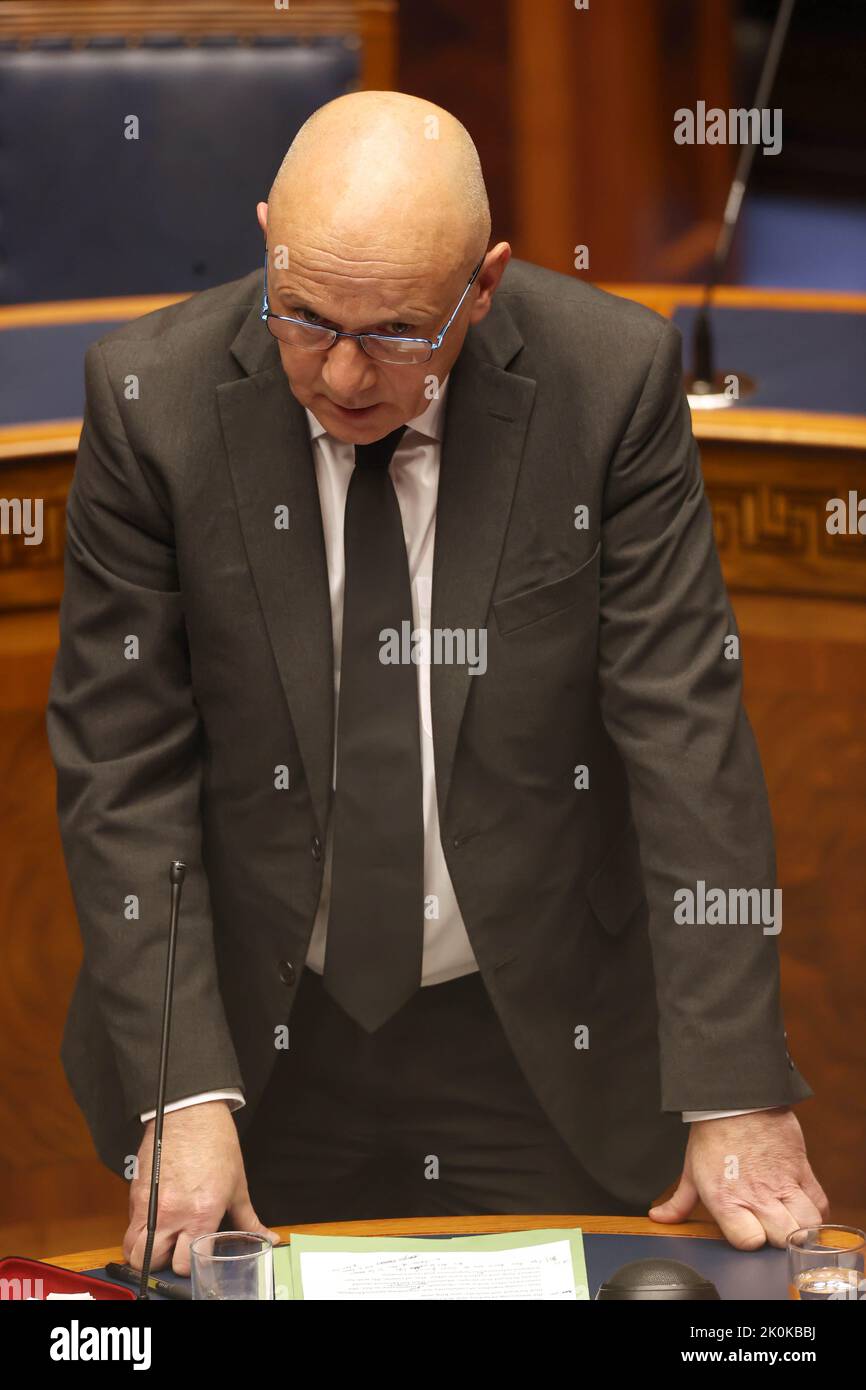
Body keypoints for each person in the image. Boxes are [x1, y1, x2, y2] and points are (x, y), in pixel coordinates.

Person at [47, 90, 827, 1277]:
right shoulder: (149, 402)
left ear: (486, 283)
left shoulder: (606, 382)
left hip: (530, 1039)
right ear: (267, 237)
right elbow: (123, 766)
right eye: (304, 316)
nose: (345, 374)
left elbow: (685, 736)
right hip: (254, 1044)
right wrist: (180, 1087)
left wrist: (732, 1085)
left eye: (400, 333)